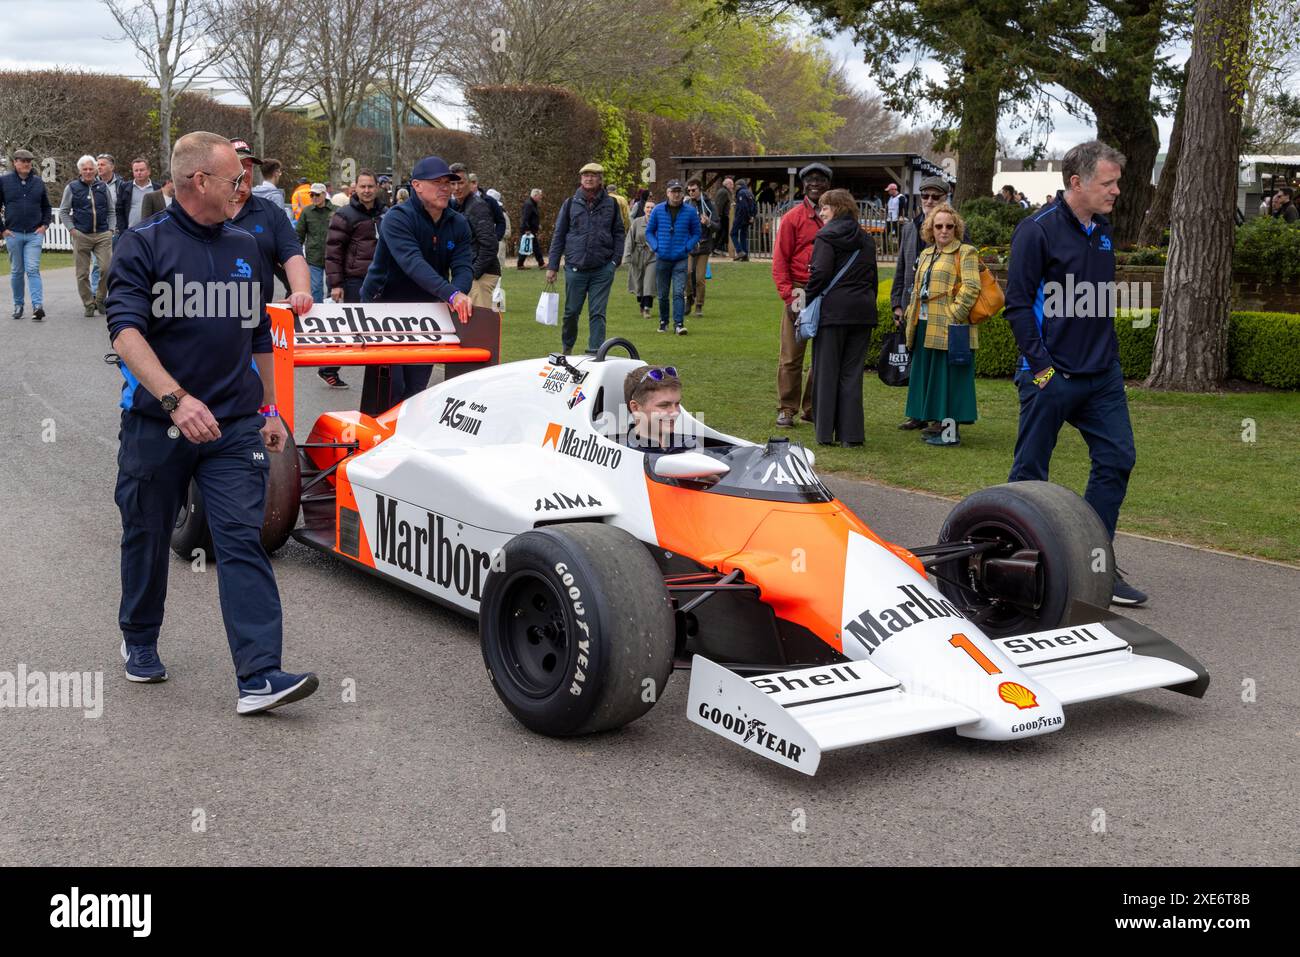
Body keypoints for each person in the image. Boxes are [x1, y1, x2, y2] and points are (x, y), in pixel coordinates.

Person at [105, 130, 318, 713]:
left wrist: (270, 409)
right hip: (158, 423)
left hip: (233, 429)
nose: (242, 187)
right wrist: (176, 399)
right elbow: (125, 333)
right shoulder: (141, 245)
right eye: (234, 179)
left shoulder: (246, 245)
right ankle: (140, 639)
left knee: (242, 542)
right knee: (147, 535)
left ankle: (258, 676)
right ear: (200, 181)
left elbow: (257, 338)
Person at [1004, 139, 1146, 606]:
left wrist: (1110, 360)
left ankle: (1093, 565)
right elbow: (1019, 305)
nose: (1116, 191)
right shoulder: (1036, 230)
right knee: (1030, 474)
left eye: (1117, 182)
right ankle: (1017, 566)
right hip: (1051, 375)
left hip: (1102, 376)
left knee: (1117, 459)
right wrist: (1042, 369)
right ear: (1076, 182)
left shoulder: (1102, 230)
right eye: (1108, 183)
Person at [361, 155, 473, 403]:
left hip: (426, 310)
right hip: (385, 306)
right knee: (388, 388)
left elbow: (464, 266)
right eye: (437, 182)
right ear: (417, 185)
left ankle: (408, 437)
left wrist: (459, 293)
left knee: (417, 387)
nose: (445, 188)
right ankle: (378, 437)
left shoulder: (458, 223)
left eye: (449, 182)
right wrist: (451, 294)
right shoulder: (397, 218)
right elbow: (412, 263)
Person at [225, 138, 316, 374]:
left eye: (249, 166)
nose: (244, 171)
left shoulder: (269, 212)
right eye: (238, 164)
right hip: (210, 319)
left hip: (257, 324)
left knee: (263, 397)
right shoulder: (206, 211)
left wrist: (301, 291)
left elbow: (293, 254)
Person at [902, 203, 981, 447]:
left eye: (949, 226)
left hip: (950, 327)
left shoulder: (966, 252)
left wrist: (953, 314)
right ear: (931, 229)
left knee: (949, 378)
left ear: (956, 228)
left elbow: (971, 287)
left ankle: (948, 430)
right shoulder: (926, 253)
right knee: (928, 374)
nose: (944, 230)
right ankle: (933, 421)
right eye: (939, 226)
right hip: (924, 322)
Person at [892, 176, 966, 431]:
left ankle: (939, 416)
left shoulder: (955, 232)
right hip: (914, 308)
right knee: (919, 364)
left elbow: (967, 281)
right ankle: (919, 413)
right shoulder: (911, 227)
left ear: (945, 199)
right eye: (925, 196)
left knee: (940, 367)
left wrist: (954, 311)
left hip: (942, 312)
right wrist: (897, 303)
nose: (929, 201)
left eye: (936, 197)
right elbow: (902, 267)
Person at [806, 188, 878, 447]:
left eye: (824, 207)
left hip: (833, 312)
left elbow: (820, 273)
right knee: (851, 374)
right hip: (862, 311)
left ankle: (824, 433)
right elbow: (872, 278)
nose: (821, 212)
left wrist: (807, 297)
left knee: (826, 372)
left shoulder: (825, 236)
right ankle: (852, 436)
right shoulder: (867, 240)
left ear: (836, 208)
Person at [772, 163, 830, 427]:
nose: (815, 184)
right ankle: (787, 407)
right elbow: (780, 260)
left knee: (823, 356)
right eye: (810, 180)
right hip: (799, 288)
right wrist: (788, 295)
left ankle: (812, 406)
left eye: (820, 180)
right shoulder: (793, 218)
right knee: (792, 355)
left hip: (827, 290)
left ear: (828, 184)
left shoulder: (836, 217)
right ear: (803, 185)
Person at [546, 161, 625, 354]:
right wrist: (553, 266)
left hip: (602, 268)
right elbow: (559, 235)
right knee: (571, 313)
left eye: (593, 175)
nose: (589, 178)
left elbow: (619, 233)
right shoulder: (571, 203)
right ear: (581, 179)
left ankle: (595, 352)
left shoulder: (611, 204)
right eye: (585, 175)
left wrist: (615, 261)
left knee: (597, 313)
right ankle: (567, 348)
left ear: (600, 179)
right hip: (575, 268)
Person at [60, 154, 114, 318]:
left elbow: (111, 210)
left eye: (91, 168)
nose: (89, 172)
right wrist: (72, 230)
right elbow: (63, 211)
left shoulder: (103, 187)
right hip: (81, 235)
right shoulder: (72, 188)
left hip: (103, 234)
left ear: (96, 170)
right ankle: (88, 304)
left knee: (106, 268)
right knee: (82, 273)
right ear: (80, 171)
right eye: (85, 169)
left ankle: (100, 299)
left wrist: (111, 229)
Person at [1, 148, 52, 321]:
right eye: (22, 161)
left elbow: (46, 206)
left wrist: (44, 225)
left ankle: (38, 306)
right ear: (15, 162)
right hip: (13, 234)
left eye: (29, 162)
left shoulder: (38, 182)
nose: (26, 164)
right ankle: (18, 305)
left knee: (32, 269)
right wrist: (2, 230)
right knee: (16, 271)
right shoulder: (4, 181)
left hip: (34, 234)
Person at [644, 180, 700, 336]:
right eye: (673, 191)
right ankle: (663, 321)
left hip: (680, 258)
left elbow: (696, 232)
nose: (676, 194)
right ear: (667, 193)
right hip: (662, 258)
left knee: (678, 292)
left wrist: (687, 247)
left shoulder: (690, 211)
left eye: (678, 191)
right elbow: (649, 232)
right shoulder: (658, 210)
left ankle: (679, 324)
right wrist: (656, 246)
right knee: (662, 294)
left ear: (682, 193)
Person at [449, 162, 501, 310]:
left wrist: (473, 273)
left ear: (469, 183)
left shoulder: (478, 206)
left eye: (460, 182)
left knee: (480, 326)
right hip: (468, 273)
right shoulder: (456, 206)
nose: (457, 187)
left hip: (481, 276)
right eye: (453, 183)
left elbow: (490, 245)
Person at [622, 365, 693, 454]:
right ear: (635, 408)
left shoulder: (690, 444)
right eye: (664, 405)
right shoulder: (625, 455)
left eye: (677, 403)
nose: (675, 412)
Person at [89, 153, 125, 297]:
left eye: (102, 164)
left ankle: (114, 293)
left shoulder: (121, 185)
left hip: (115, 231)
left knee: (114, 264)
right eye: (97, 164)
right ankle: (95, 294)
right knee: (98, 264)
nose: (99, 167)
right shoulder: (90, 183)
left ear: (112, 167)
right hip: (97, 231)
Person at [295, 182, 334, 305]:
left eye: (317, 195)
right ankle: (318, 313)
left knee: (333, 287)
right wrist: (296, 254)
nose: (314, 198)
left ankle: (332, 314)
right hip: (314, 257)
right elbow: (299, 234)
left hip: (333, 256)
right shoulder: (307, 212)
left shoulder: (336, 210)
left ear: (324, 195)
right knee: (315, 288)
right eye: (312, 195)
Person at [685, 178, 714, 316]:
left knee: (700, 277)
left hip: (703, 245)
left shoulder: (708, 204)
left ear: (700, 189)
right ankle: (689, 297)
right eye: (689, 190)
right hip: (689, 244)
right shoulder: (685, 204)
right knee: (688, 272)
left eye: (693, 190)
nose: (691, 192)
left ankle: (699, 305)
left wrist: (708, 222)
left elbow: (718, 225)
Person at [625, 198, 657, 317]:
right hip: (637, 255)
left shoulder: (659, 222)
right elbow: (629, 240)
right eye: (648, 207)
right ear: (644, 209)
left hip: (653, 255)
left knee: (649, 282)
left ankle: (647, 308)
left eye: (652, 208)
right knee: (639, 283)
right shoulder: (637, 222)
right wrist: (627, 256)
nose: (650, 210)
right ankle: (641, 304)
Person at [117, 157, 160, 233]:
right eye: (136, 170)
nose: (139, 173)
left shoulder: (157, 188)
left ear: (149, 171)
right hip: (131, 231)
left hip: (152, 231)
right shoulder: (124, 188)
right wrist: (123, 230)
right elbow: (119, 211)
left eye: (141, 170)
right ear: (133, 172)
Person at [517, 188, 544, 269]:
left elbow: (532, 217)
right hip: (528, 230)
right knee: (532, 246)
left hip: (531, 229)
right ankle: (541, 263)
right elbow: (525, 218)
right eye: (540, 196)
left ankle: (520, 264)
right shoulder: (529, 204)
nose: (541, 198)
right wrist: (527, 229)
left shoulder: (532, 204)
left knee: (528, 246)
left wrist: (537, 225)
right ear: (535, 195)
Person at [732, 178, 755, 261]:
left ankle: (739, 252)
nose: (735, 188)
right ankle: (745, 256)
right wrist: (752, 216)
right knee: (743, 236)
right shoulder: (750, 193)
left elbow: (743, 206)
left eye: (736, 186)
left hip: (741, 217)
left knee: (733, 233)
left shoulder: (741, 193)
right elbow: (754, 206)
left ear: (739, 185)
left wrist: (748, 216)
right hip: (748, 219)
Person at [712, 177, 734, 258]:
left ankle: (717, 249)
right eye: (731, 184)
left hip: (724, 216)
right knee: (722, 233)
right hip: (722, 216)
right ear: (727, 184)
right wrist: (718, 216)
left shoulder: (726, 191)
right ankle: (716, 249)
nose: (732, 186)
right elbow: (719, 204)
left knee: (723, 233)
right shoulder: (723, 192)